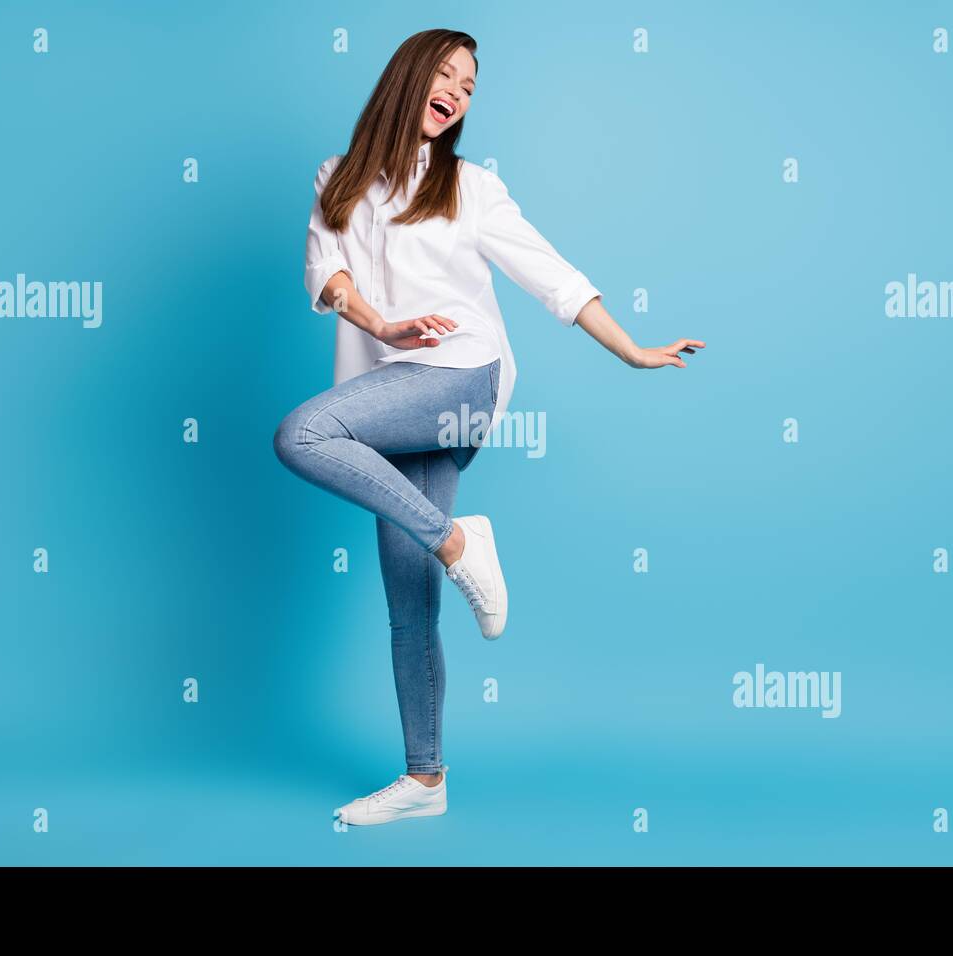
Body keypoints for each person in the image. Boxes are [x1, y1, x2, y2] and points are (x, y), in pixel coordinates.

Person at [274, 28, 703, 827]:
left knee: (301, 435)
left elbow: (552, 276)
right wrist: (384, 326)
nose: (459, 94)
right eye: (448, 76)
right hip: (387, 391)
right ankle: (424, 781)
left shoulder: (470, 187)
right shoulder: (337, 179)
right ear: (409, 78)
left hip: (460, 375)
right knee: (410, 605)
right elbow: (325, 271)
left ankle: (459, 542)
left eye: (470, 86)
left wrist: (634, 352)